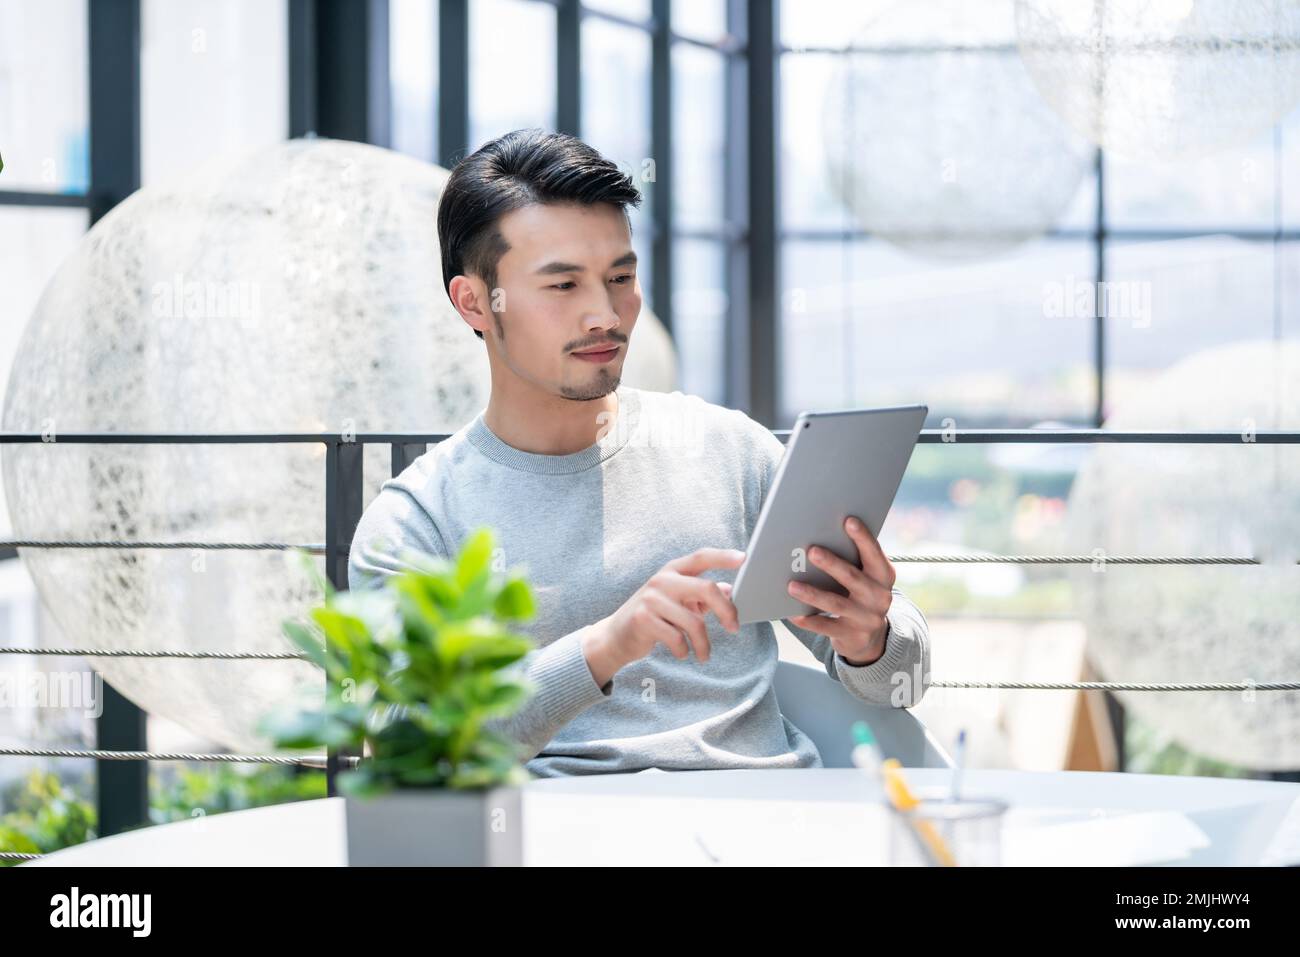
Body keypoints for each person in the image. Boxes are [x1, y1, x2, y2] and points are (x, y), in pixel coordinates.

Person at [348, 128, 932, 777]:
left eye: (620, 276)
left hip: (771, 823)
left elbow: (898, 685)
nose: (606, 314)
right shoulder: (419, 520)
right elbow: (413, 751)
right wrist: (604, 647)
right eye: (563, 286)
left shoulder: (729, 450)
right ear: (475, 303)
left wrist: (872, 641)